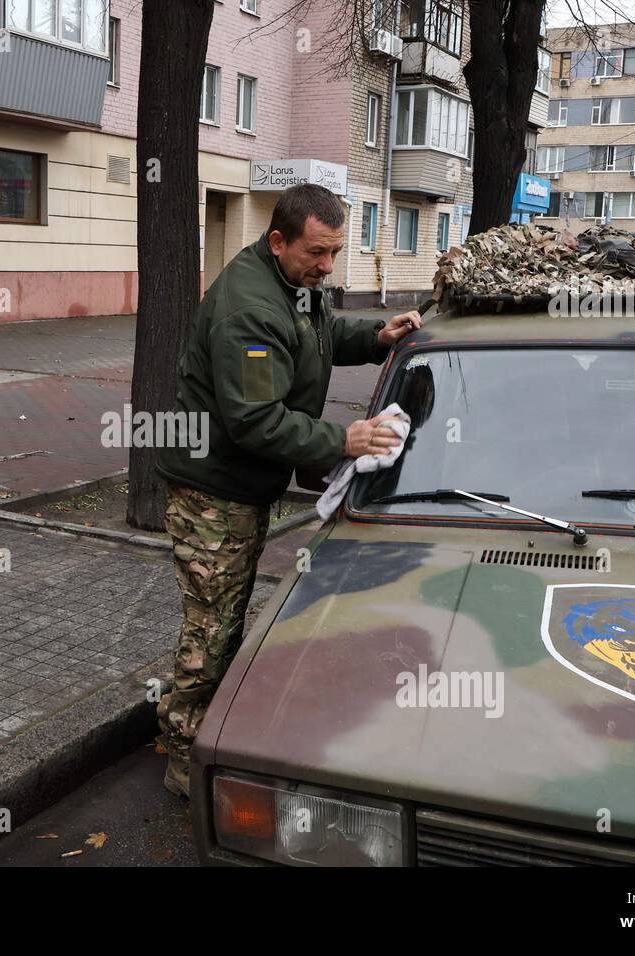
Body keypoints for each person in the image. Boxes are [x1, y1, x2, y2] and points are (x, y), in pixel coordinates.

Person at [154, 183, 421, 798]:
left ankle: (192, 729)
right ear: (278, 241)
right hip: (212, 493)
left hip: (239, 487)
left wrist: (376, 336)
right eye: (318, 253)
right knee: (212, 626)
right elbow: (253, 419)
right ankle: (180, 756)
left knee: (223, 617)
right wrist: (342, 440)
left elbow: (317, 335)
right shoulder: (249, 309)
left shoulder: (292, 285)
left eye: (336, 253)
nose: (327, 267)